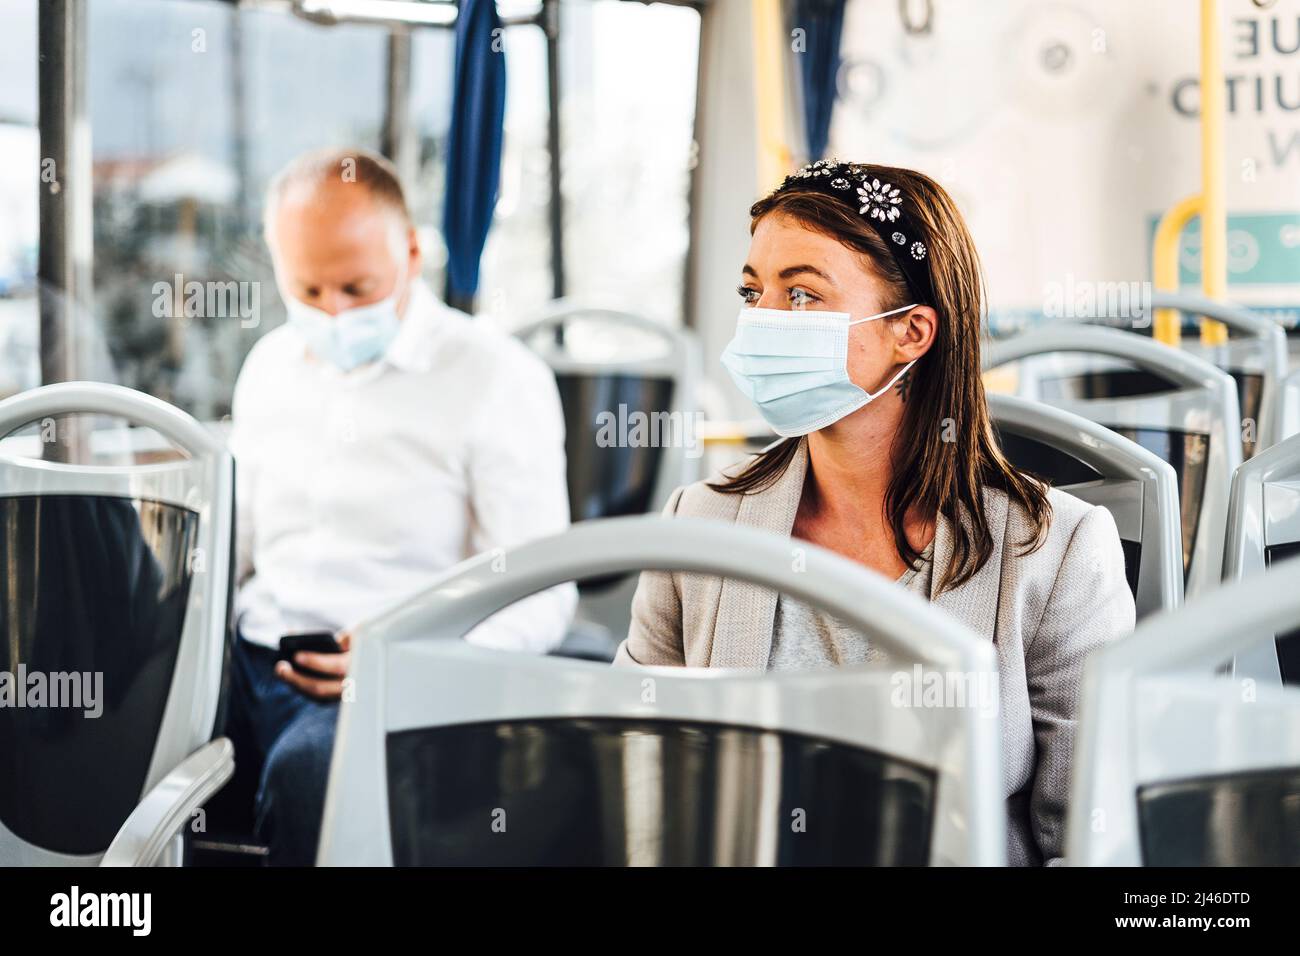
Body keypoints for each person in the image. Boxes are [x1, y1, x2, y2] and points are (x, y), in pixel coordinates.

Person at [613, 159, 1135, 865]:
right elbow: (635, 787)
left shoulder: (1055, 551)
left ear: (912, 333)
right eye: (752, 290)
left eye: (802, 295)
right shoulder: (700, 528)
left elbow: (1092, 841)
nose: (762, 320)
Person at [225, 147, 576, 865]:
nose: (334, 312)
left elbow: (542, 592)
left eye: (357, 287)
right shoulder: (268, 369)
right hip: (251, 656)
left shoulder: (496, 379)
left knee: (312, 774)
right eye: (309, 291)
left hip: (400, 675)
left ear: (411, 252)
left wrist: (409, 658)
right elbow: (239, 549)